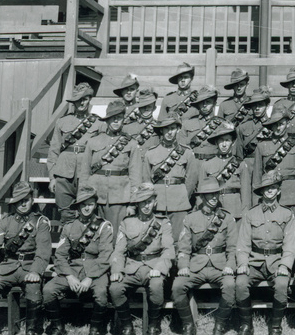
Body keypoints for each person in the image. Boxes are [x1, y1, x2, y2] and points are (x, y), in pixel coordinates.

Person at [46, 185, 115, 335]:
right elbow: (61, 255)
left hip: (96, 270)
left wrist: (90, 278)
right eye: (83, 204)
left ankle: (95, 330)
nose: (86, 207)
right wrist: (69, 276)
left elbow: (106, 256)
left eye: (90, 204)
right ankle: (58, 329)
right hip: (73, 268)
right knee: (48, 290)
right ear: (78, 206)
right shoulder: (69, 226)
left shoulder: (105, 226)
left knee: (100, 293)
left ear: (95, 205)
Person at [173, 178, 239, 335]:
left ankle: (219, 326)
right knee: (177, 286)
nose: (214, 197)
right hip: (196, 266)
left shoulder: (227, 218)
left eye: (216, 193)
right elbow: (184, 248)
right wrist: (183, 266)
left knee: (230, 285)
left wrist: (230, 266)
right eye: (209, 194)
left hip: (220, 266)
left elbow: (232, 248)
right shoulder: (190, 219)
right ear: (202, 197)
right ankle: (188, 326)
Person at [109, 183, 175, 335]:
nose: (146, 206)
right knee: (115, 288)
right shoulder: (127, 223)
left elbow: (168, 250)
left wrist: (159, 269)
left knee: (157, 284)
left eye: (150, 201)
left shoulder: (163, 223)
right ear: (137, 204)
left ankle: (153, 327)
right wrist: (117, 270)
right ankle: (127, 328)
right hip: (132, 266)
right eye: (142, 202)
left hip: (154, 265)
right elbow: (119, 251)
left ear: (155, 202)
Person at [235, 170, 295, 335]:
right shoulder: (250, 214)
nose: (270, 191)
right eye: (266, 188)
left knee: (282, 284)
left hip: (277, 261)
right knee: (240, 283)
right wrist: (242, 263)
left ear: (278, 190)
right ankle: (246, 326)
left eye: (273, 187)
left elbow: (290, 244)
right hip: (254, 261)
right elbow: (243, 243)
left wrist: (285, 265)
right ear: (261, 191)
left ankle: (275, 327)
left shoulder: (287, 214)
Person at [0, 182, 52, 335]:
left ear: (32, 200)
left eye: (26, 199)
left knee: (34, 287)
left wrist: (36, 271)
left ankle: (32, 333)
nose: (23, 203)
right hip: (8, 266)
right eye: (20, 200)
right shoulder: (6, 221)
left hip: (29, 266)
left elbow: (43, 251)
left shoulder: (40, 222)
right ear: (15, 202)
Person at [132, 113, 200, 243]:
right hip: (158, 202)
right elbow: (146, 180)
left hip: (179, 201)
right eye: (166, 128)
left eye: (173, 128)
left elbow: (191, 179)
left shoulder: (186, 152)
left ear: (177, 129)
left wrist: (184, 194)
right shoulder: (150, 153)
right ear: (161, 130)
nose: (170, 132)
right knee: (156, 238)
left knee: (179, 238)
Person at [47, 82, 105, 223]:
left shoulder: (98, 123)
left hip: (86, 172)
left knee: (87, 213)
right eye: (77, 100)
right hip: (63, 172)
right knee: (65, 213)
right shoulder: (62, 122)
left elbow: (102, 152)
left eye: (84, 99)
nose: (81, 103)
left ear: (89, 99)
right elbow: (54, 150)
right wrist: (52, 177)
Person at [79, 98, 138, 237]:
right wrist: (82, 197)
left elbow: (135, 176)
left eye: (119, 118)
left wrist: (133, 203)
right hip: (95, 195)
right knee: (92, 234)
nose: (116, 121)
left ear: (123, 119)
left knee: (115, 235)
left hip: (119, 197)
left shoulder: (131, 144)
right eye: (112, 118)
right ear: (107, 120)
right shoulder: (93, 141)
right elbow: (84, 172)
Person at [254, 107, 295, 216]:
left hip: (294, 198)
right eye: (275, 124)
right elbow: (257, 177)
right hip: (270, 198)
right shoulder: (262, 146)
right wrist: (257, 202)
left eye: (281, 124)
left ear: (288, 124)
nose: (278, 128)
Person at [199, 122, 252, 221]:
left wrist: (245, 214)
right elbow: (201, 193)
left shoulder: (240, 164)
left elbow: (245, 193)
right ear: (216, 142)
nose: (224, 144)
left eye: (227, 140)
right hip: (213, 209)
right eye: (221, 140)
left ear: (232, 142)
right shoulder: (206, 165)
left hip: (235, 210)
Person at [178, 86, 222, 153]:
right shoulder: (187, 123)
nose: (204, 105)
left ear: (214, 104)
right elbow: (181, 147)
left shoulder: (221, 125)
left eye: (208, 102)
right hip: (192, 161)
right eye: (202, 102)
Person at [234, 87, 272, 160]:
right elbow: (239, 154)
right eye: (254, 105)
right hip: (249, 166)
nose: (257, 108)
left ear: (267, 106)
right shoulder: (243, 127)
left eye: (260, 105)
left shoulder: (272, 125)